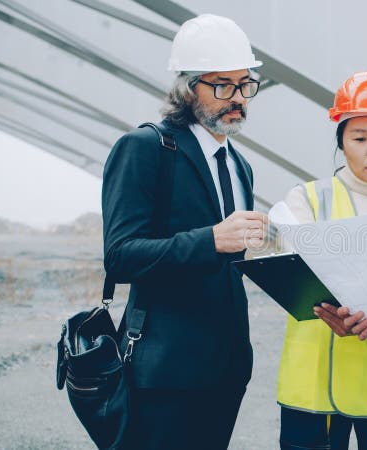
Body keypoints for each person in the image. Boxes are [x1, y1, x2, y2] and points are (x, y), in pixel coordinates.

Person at [101, 14, 267, 449]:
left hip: (228, 370)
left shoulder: (240, 165)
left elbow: (230, 263)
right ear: (189, 87)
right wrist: (210, 239)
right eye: (222, 85)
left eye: (244, 84)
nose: (237, 98)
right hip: (165, 374)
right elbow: (120, 256)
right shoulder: (145, 148)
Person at [276, 70, 367, 450]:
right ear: (342, 142)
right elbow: (294, 274)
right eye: (360, 138)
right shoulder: (305, 201)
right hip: (314, 395)